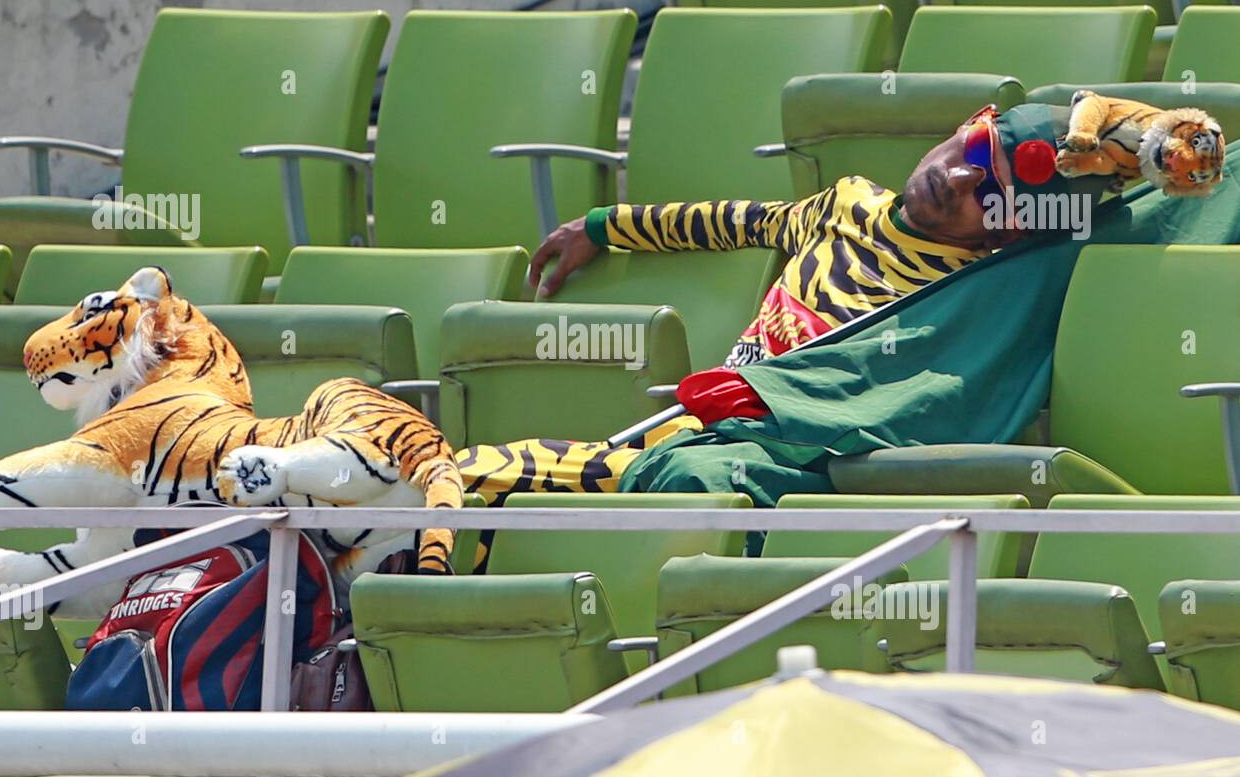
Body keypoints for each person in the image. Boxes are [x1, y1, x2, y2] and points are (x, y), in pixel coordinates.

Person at [455, 100, 1111, 567]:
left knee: (520, 486)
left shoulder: (968, 300)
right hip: (683, 433)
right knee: (458, 486)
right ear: (968, 124)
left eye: (990, 196)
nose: (960, 177)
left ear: (1005, 234)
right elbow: (742, 221)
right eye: (974, 152)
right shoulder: (848, 201)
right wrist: (602, 226)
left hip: (763, 461)